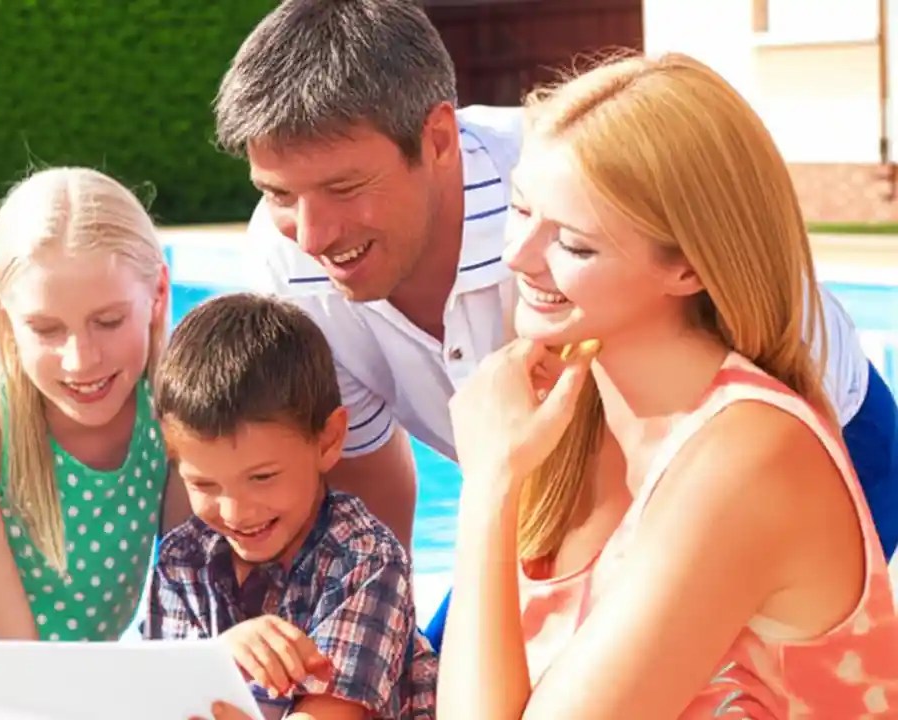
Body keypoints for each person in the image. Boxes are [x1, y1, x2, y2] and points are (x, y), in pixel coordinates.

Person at [217, 0, 898, 652]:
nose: (311, 235)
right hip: (553, 502)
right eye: (278, 193)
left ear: (438, 139)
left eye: (344, 188)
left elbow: (768, 374)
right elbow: (367, 476)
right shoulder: (284, 257)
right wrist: (363, 657)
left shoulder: (572, 180)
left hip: (821, 441)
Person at [433, 51, 898, 717]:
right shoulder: (573, 414)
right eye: (520, 209)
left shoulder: (748, 458)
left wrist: (489, 480)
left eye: (574, 244)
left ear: (688, 267)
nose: (518, 256)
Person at [0, 167, 188, 647]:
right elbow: (9, 658)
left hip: (68, 685)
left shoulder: (177, 412)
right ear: (6, 314)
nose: (80, 360)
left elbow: (192, 605)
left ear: (158, 294)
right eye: (46, 329)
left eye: (108, 321)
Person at [144, 292, 437, 720]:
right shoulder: (182, 559)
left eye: (262, 477)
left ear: (328, 441)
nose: (235, 513)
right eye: (203, 483)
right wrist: (216, 658)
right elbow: (160, 700)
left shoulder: (366, 560)